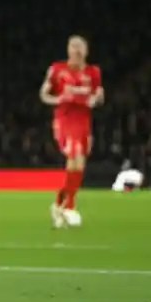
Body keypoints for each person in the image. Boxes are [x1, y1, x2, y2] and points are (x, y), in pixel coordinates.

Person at [39, 35, 104, 229]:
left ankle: (59, 203)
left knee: (80, 163)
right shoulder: (57, 70)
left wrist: (97, 99)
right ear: (68, 50)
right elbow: (44, 94)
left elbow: (98, 95)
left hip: (83, 120)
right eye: (73, 47)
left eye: (80, 47)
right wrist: (57, 100)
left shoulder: (93, 72)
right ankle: (71, 206)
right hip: (65, 119)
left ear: (86, 51)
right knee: (74, 155)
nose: (76, 51)